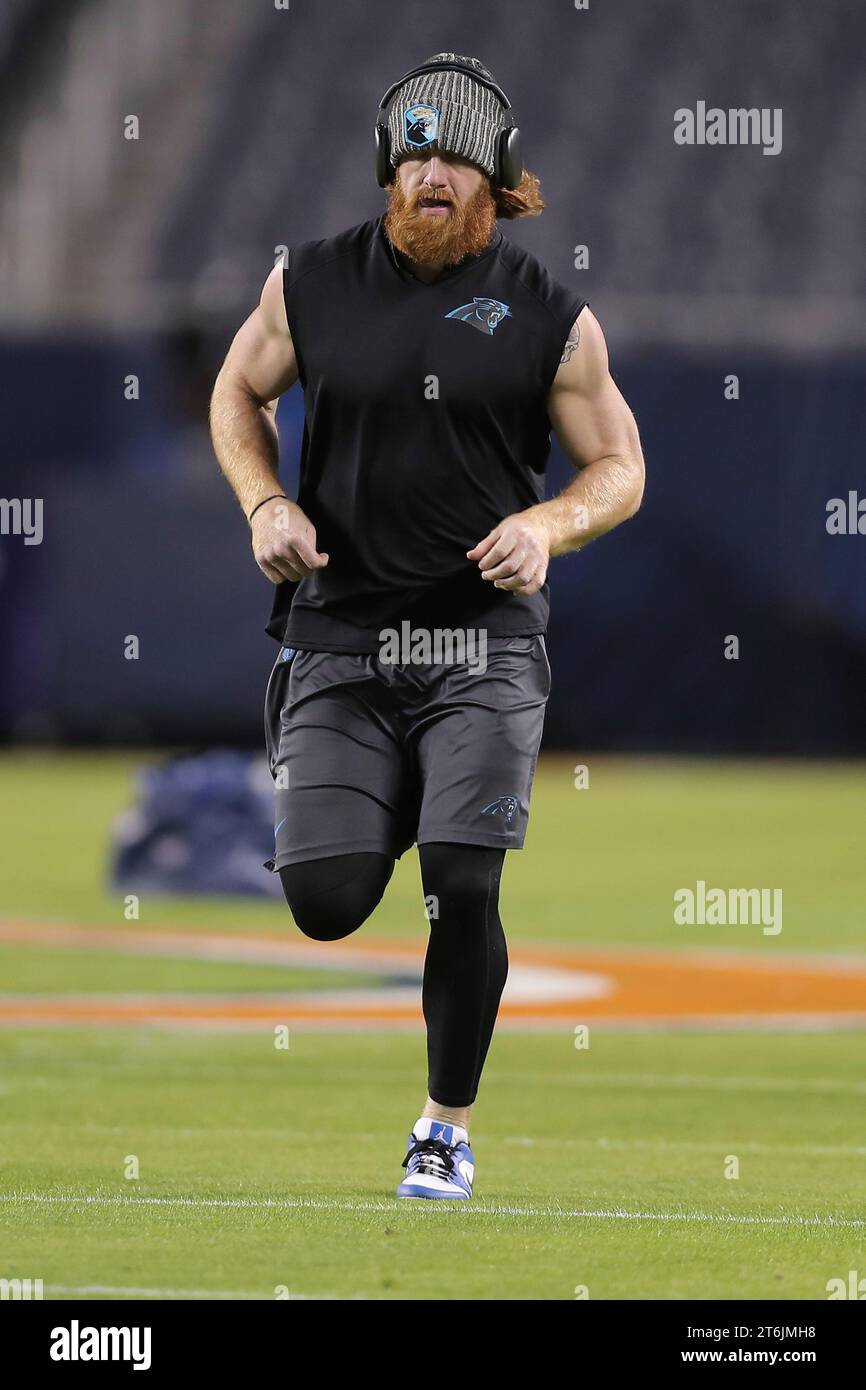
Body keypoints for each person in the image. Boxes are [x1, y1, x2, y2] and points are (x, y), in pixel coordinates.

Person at [210, 53, 645, 1200]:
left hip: (479, 645)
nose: (430, 175)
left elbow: (620, 466)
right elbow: (235, 391)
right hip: (342, 643)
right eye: (412, 156)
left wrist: (549, 525)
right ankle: (383, 794)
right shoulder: (305, 283)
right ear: (385, 172)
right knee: (326, 901)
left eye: (453, 157)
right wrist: (263, 500)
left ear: (496, 183)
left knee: (463, 874)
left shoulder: (551, 314)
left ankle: (443, 1130)